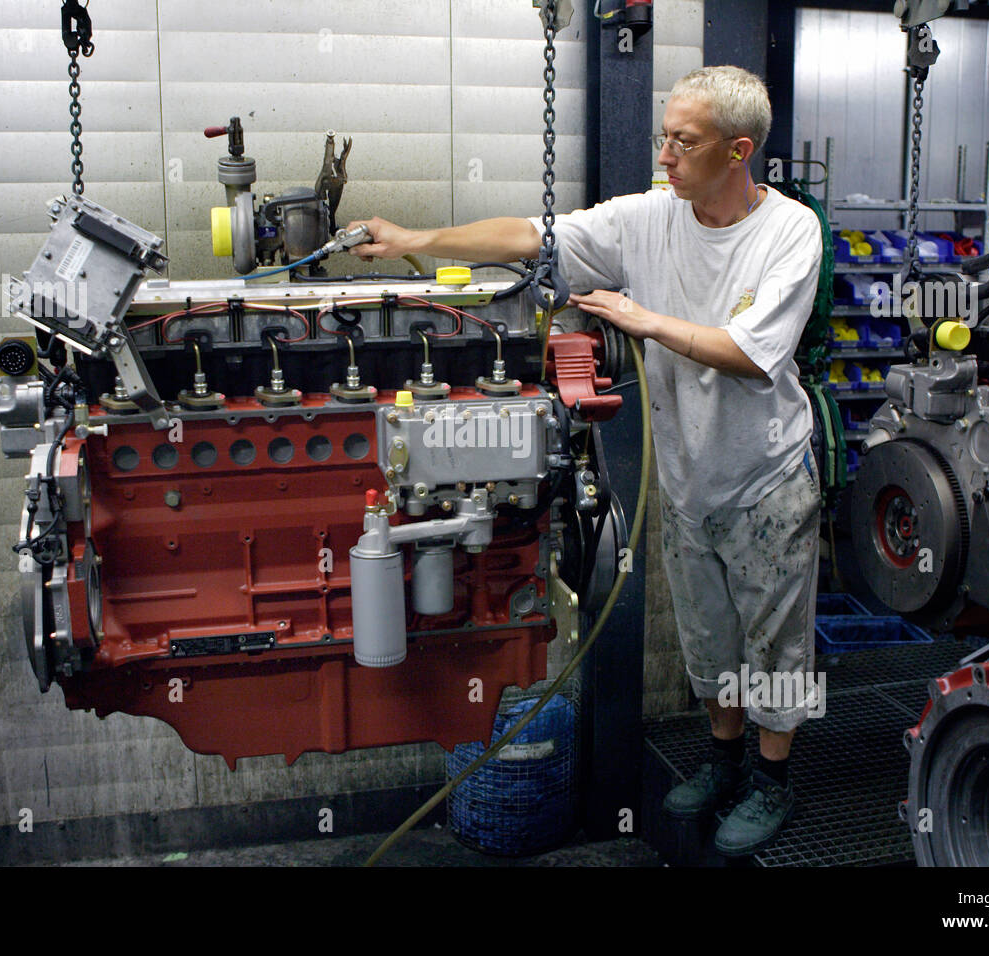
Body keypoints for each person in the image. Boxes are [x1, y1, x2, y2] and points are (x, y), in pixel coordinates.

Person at [349, 65, 823, 856]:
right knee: (710, 639)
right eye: (664, 135)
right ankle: (723, 760)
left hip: (765, 477)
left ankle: (772, 781)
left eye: (686, 141)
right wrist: (416, 241)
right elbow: (534, 236)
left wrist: (641, 317)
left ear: (738, 151)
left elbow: (747, 352)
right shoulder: (650, 216)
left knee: (775, 643)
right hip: (687, 479)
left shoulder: (788, 232)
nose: (665, 155)